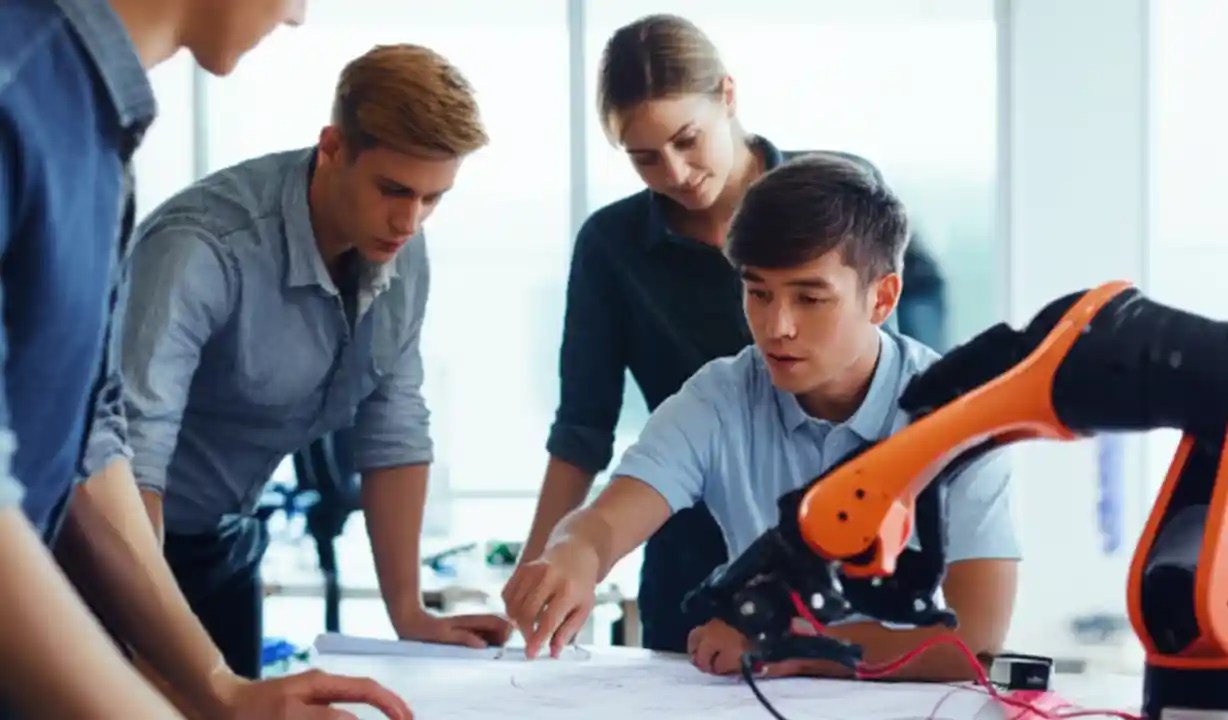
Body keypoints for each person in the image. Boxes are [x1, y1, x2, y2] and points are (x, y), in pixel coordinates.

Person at [0, 0, 410, 718]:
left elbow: (86, 442)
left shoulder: (93, 128)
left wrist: (218, 688)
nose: (298, 17)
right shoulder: (16, 80)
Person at [518, 12, 945, 654]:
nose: (676, 172)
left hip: (849, 541)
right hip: (685, 540)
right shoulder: (614, 248)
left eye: (688, 139)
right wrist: (545, 569)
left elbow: (907, 380)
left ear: (727, 96)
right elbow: (582, 426)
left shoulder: (839, 193)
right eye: (644, 157)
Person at [504, 154, 1020, 682]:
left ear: (882, 298)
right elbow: (606, 522)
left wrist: (787, 644)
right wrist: (574, 554)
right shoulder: (719, 398)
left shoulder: (960, 417)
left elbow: (975, 640)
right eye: (758, 293)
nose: (777, 327)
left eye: (810, 298)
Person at [88, 42, 512, 682]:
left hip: (224, 547)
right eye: (394, 190)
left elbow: (393, 424)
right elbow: (132, 453)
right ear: (333, 148)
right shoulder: (201, 250)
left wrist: (409, 612)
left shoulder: (401, 244)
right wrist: (148, 642)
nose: (409, 220)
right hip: (113, 557)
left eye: (433, 198)